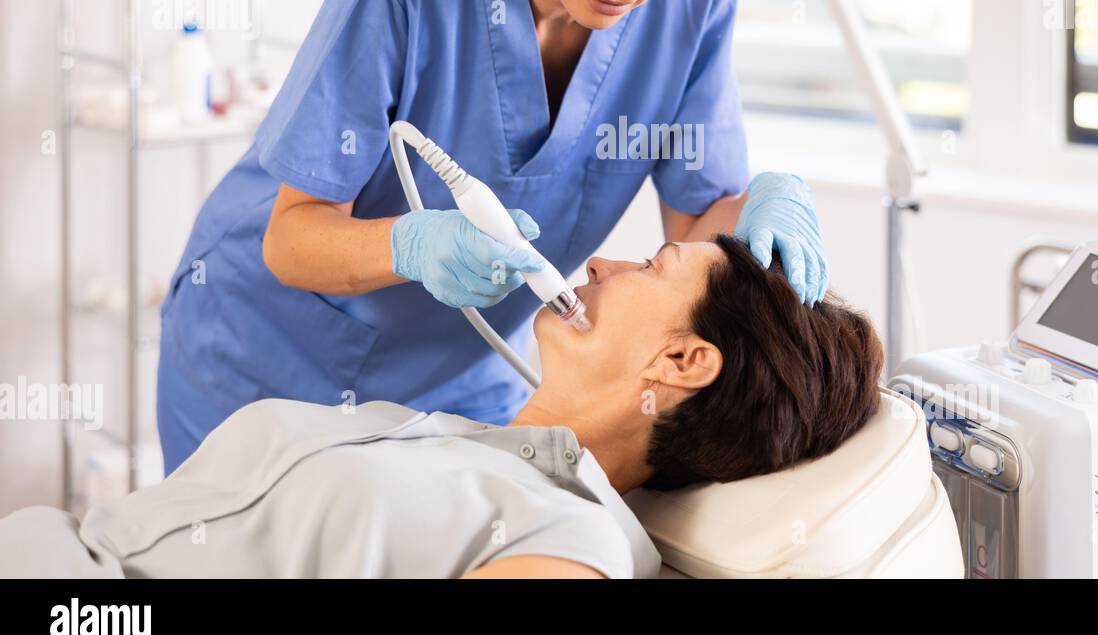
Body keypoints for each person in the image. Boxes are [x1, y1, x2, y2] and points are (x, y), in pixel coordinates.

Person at [156, 0, 829, 474]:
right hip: (271, 355)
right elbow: (290, 239)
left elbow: (698, 231)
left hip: (464, 371)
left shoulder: (696, 2)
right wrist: (410, 245)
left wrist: (769, 200)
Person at [1, 236, 880, 579]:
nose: (605, 263)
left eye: (652, 266)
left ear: (683, 359)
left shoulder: (577, 539)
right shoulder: (460, 437)